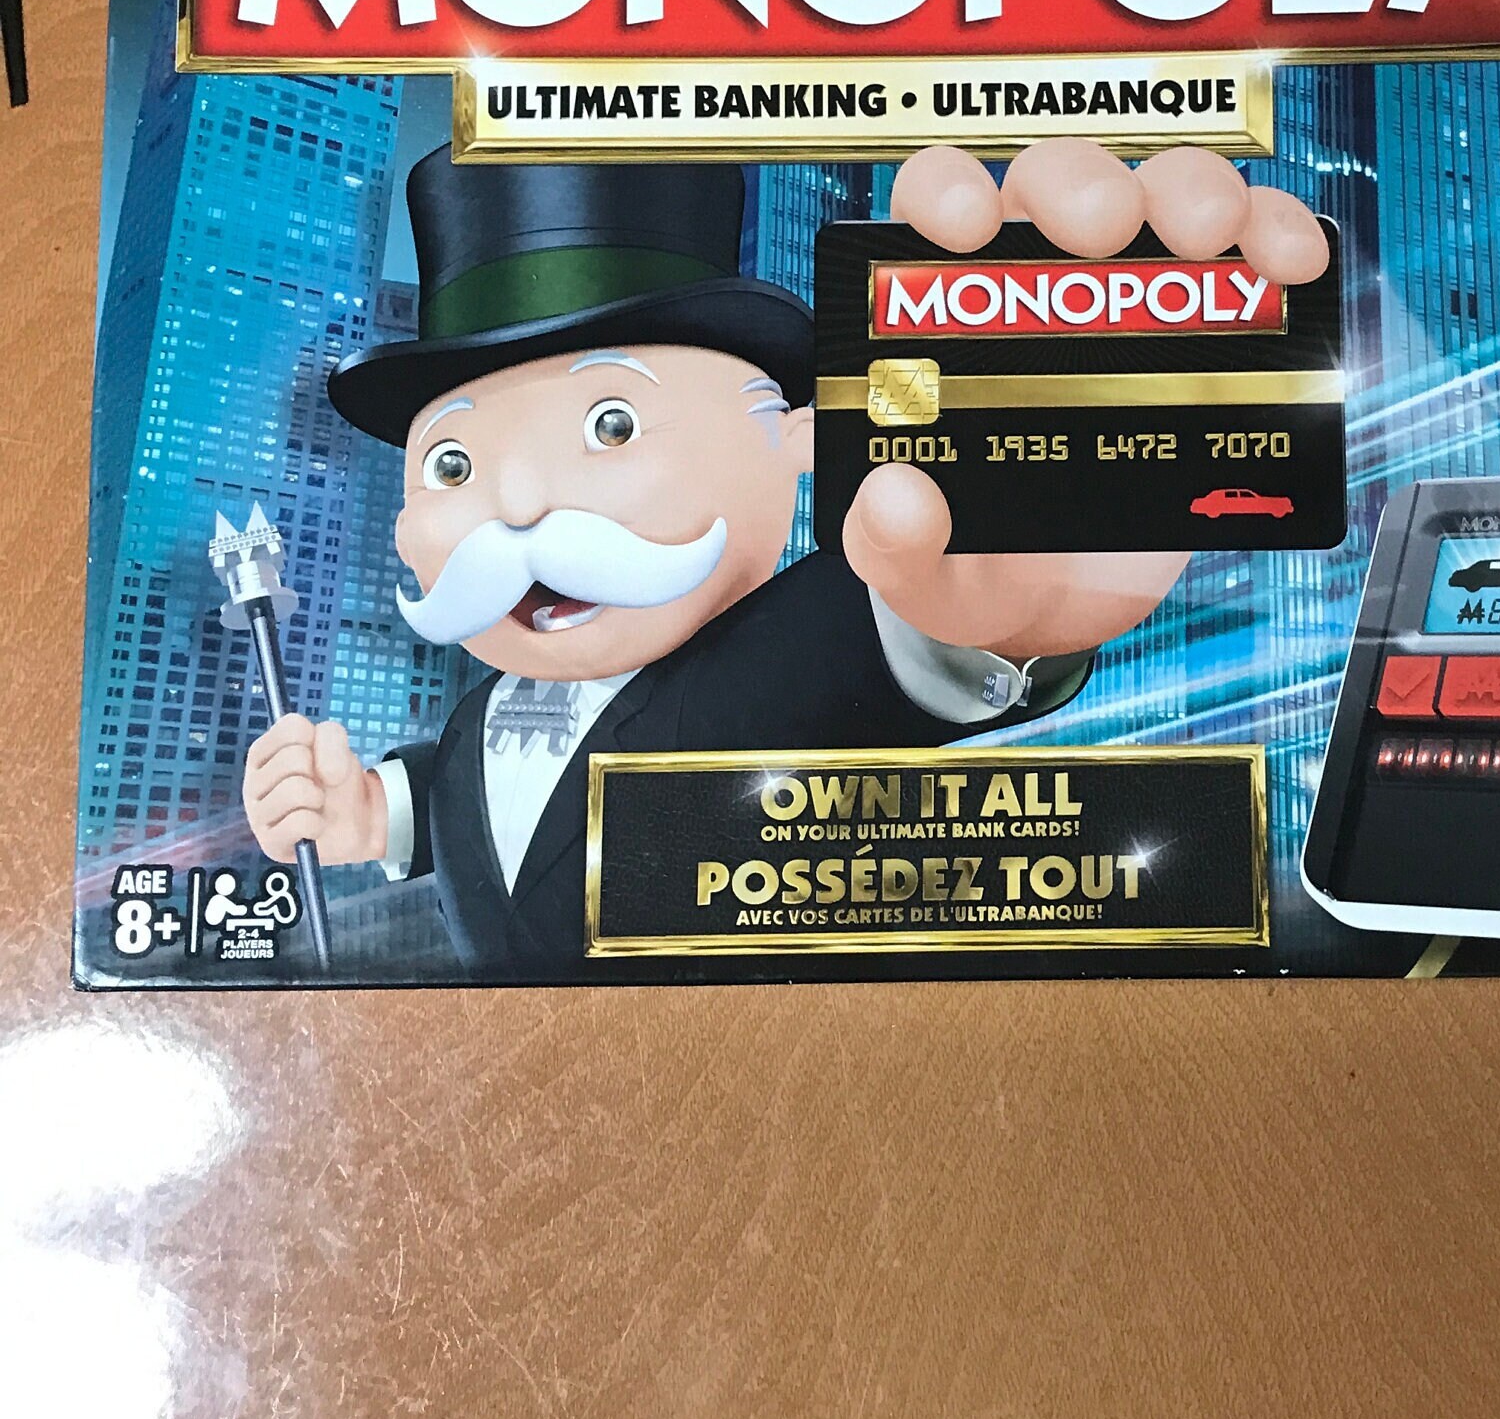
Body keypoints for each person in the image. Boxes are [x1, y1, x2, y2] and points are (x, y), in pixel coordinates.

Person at [241, 136, 1327, 976]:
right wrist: (368, 811)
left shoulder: (785, 648)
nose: (517, 504)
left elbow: (905, 623)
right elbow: (470, 800)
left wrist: (1033, 543)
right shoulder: (482, 712)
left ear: (795, 442)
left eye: (613, 425)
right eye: (452, 465)